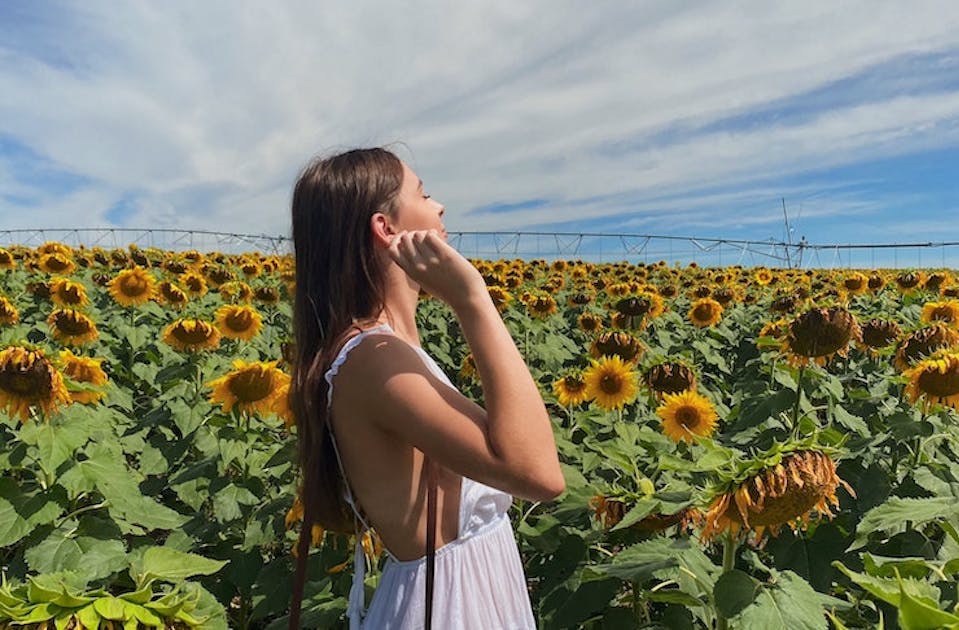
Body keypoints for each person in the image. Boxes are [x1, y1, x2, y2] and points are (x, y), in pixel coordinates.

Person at [287, 147, 565, 629]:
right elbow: (539, 475)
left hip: (467, 590)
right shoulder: (375, 358)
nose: (440, 207)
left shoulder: (386, 348)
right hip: (454, 606)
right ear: (385, 228)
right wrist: (472, 300)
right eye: (424, 193)